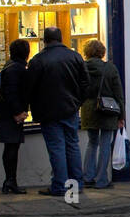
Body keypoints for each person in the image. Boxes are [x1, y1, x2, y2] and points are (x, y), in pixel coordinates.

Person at [23, 27, 90, 197]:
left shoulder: (38, 60)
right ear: (61, 39)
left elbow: (29, 88)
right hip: (70, 109)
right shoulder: (75, 56)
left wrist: (28, 107)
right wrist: (77, 103)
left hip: (48, 110)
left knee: (57, 148)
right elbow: (86, 84)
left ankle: (60, 185)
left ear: (45, 40)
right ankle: (76, 184)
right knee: (72, 145)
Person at [80, 40, 124, 190]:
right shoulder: (110, 68)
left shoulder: (82, 68)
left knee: (92, 143)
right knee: (105, 144)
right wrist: (121, 116)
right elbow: (118, 94)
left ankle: (88, 176)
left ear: (87, 52)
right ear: (102, 52)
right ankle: (101, 179)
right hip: (107, 109)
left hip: (88, 109)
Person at [0, 38, 30, 194]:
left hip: (4, 112)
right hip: (9, 114)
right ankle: (10, 181)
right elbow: (11, 93)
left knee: (11, 147)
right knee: (11, 147)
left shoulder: (11, 65)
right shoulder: (16, 69)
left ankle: (10, 180)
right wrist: (18, 112)